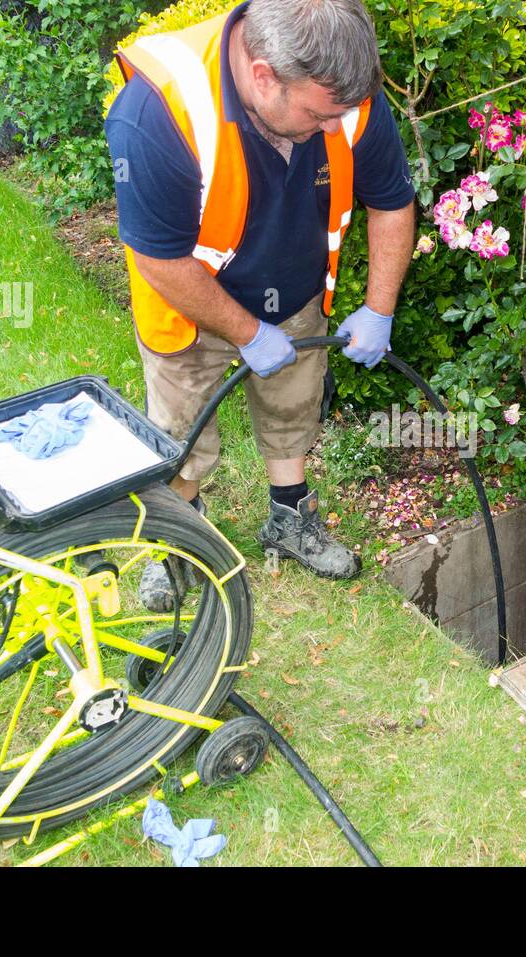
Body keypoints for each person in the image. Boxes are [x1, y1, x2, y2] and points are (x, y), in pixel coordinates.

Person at [105, 0, 416, 607]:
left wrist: (379, 307)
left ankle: (289, 520)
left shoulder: (342, 93)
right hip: (189, 299)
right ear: (264, 74)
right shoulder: (157, 110)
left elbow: (391, 202)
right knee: (182, 433)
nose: (335, 129)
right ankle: (176, 547)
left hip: (294, 285)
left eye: (342, 115)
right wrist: (246, 332)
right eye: (319, 115)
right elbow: (160, 261)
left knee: (292, 408)